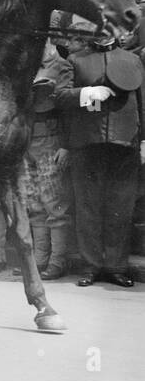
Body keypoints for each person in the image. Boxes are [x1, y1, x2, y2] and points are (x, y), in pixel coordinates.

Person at [55, 18, 145, 288]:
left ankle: (117, 267)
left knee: (121, 207)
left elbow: (143, 102)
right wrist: (87, 92)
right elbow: (58, 97)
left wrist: (144, 141)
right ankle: (91, 266)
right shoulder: (76, 60)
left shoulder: (132, 60)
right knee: (88, 207)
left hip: (125, 142)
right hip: (86, 142)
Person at [25, 40, 75, 280]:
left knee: (54, 204)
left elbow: (67, 106)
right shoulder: (27, 61)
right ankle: (40, 258)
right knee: (34, 204)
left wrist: (66, 144)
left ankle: (57, 261)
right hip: (27, 137)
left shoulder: (61, 65)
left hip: (50, 136)